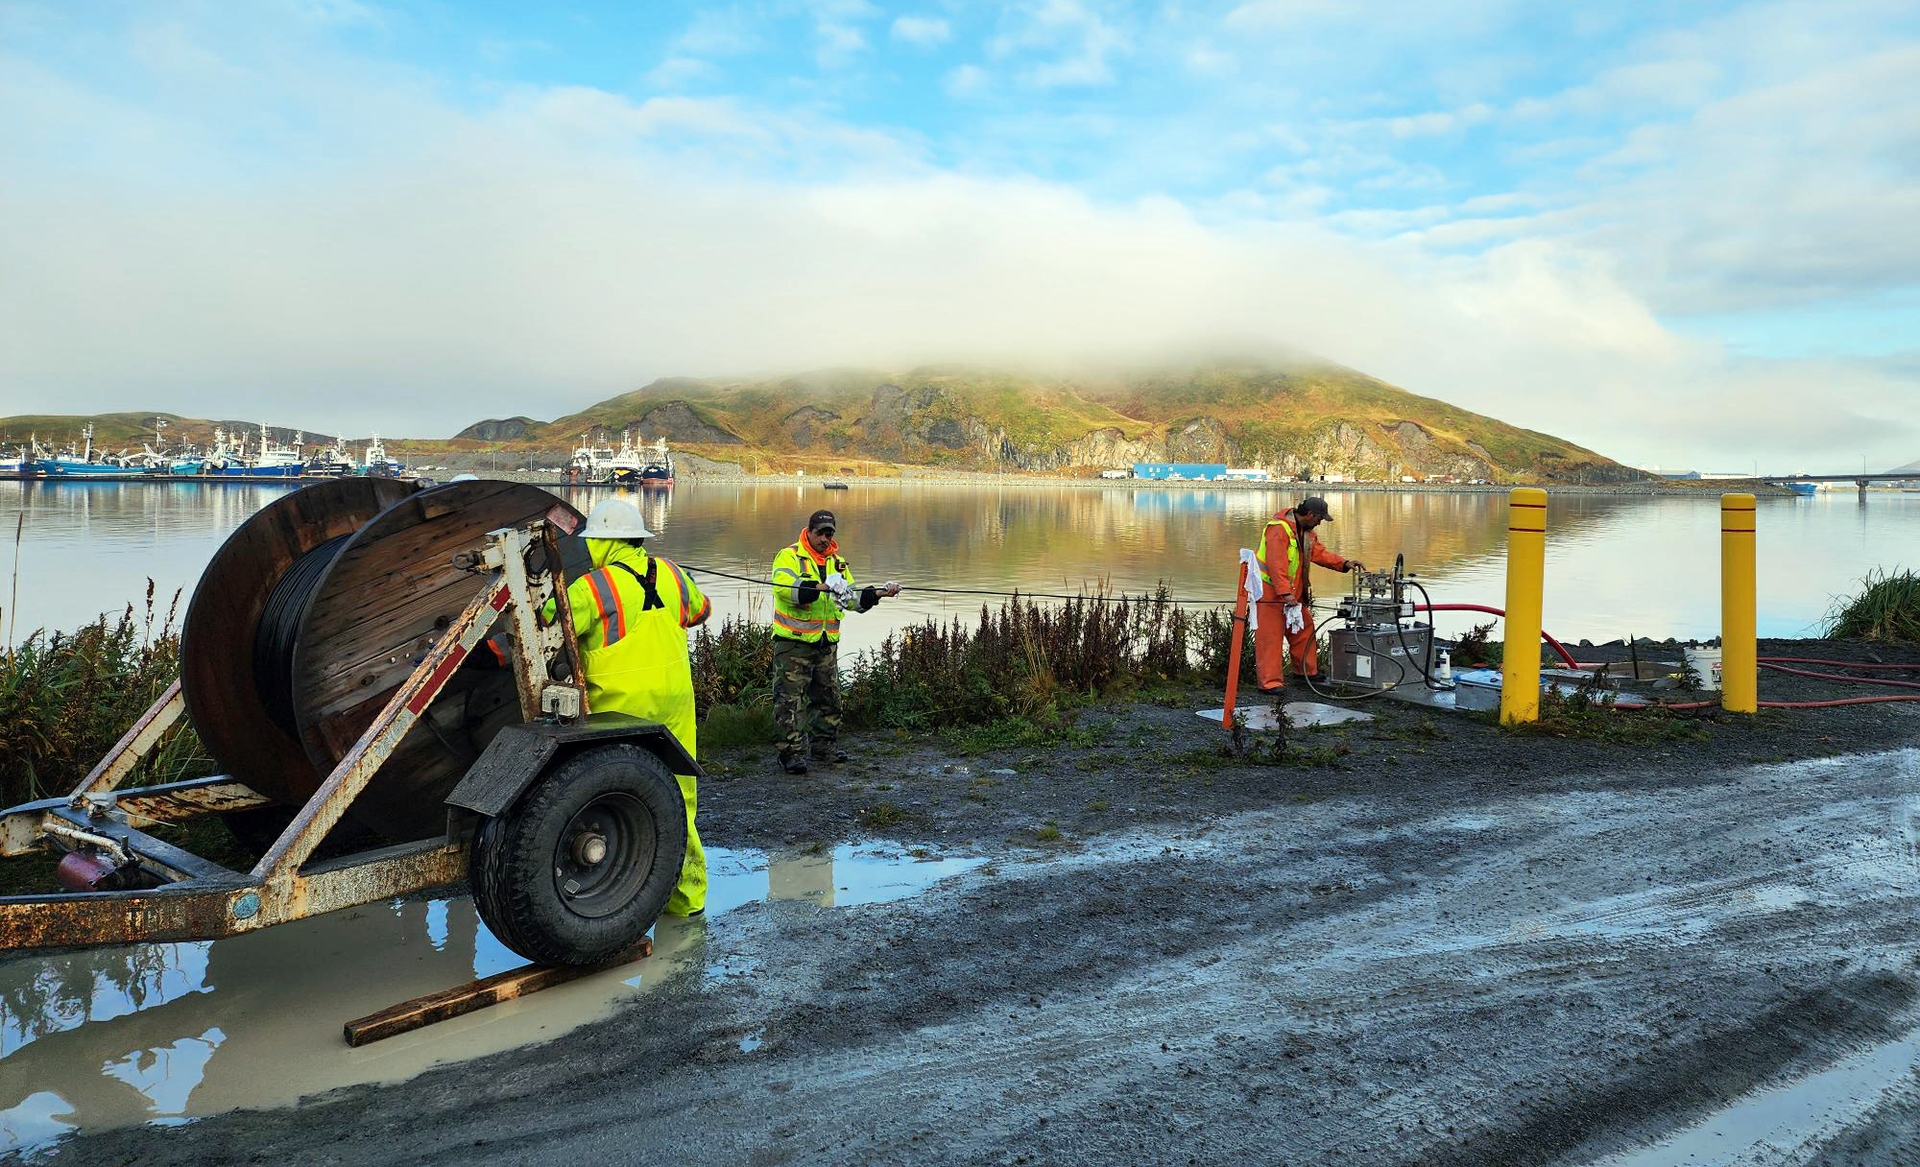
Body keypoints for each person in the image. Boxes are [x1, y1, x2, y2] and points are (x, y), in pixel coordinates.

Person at [553, 497, 713, 916]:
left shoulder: (592, 586)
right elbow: (702, 612)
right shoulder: (674, 574)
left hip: (623, 712)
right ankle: (688, 902)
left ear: (602, 543)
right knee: (679, 800)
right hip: (676, 703)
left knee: (621, 800)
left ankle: (618, 894)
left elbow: (550, 619)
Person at [768, 509, 900, 774]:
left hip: (826, 644)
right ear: (809, 531)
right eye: (821, 533)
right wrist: (819, 588)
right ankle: (790, 754)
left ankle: (823, 747)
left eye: (829, 534)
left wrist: (879, 593)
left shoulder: (838, 563)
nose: (825, 539)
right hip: (793, 643)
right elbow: (783, 588)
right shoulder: (789, 556)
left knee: (829, 700)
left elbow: (850, 599)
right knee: (789, 702)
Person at [1253, 496, 1363, 692]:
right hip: (1269, 593)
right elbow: (1275, 563)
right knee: (1270, 637)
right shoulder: (1278, 529)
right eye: (1320, 519)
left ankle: (1305, 673)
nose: (1320, 523)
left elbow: (1319, 553)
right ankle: (1270, 683)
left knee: (1304, 630)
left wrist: (1344, 563)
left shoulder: (1304, 532)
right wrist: (1285, 593)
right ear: (1310, 515)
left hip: (1290, 592)